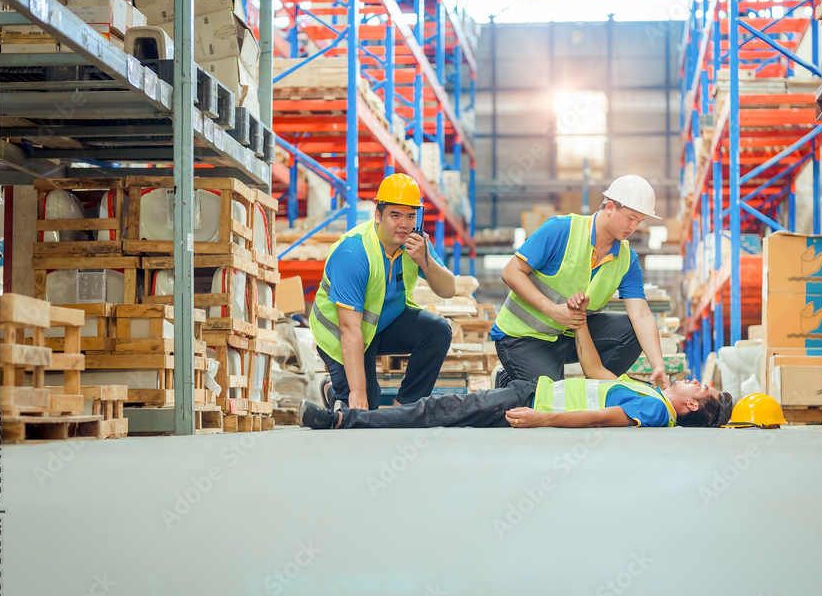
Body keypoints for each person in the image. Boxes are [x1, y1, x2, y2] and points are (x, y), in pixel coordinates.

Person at [300, 294, 734, 430]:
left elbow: (600, 416)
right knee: (451, 409)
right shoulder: (652, 395)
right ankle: (359, 415)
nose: (696, 380)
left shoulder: (657, 410)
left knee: (442, 409)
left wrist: (541, 420)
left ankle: (345, 421)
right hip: (538, 389)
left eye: (701, 388)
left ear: (692, 406)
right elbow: (599, 375)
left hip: (537, 401)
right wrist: (579, 322)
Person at [492, 174, 670, 389]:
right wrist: (552, 310)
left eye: (640, 221)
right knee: (550, 400)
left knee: (630, 330)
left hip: (568, 338)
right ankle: (507, 379)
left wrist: (658, 364)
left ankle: (596, 390)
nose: (633, 227)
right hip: (523, 337)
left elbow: (641, 314)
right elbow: (511, 272)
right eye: (630, 217)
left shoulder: (627, 259)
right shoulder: (561, 230)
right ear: (611, 207)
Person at [309, 173, 457, 410]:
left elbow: (448, 290)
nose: (404, 224)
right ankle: (332, 388)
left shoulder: (416, 244)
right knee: (364, 408)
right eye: (395, 215)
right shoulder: (354, 252)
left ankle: (406, 406)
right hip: (341, 331)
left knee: (438, 330)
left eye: (411, 215)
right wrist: (358, 393)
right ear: (378, 215)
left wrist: (425, 261)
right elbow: (349, 329)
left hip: (382, 325)